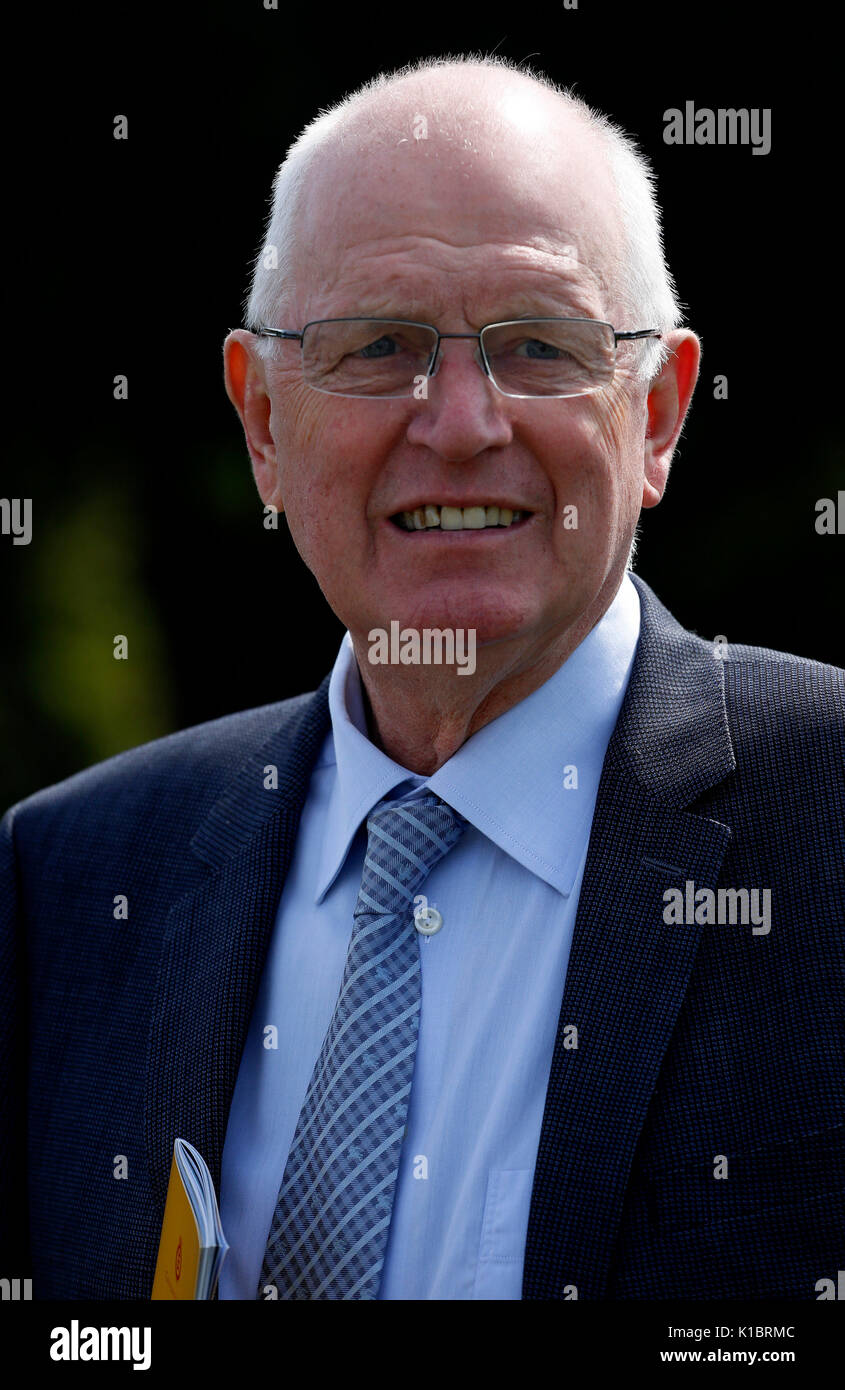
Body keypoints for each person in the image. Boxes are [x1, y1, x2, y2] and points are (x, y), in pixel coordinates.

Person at [1, 56, 842, 1302]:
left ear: (654, 415)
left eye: (539, 345)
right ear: (264, 423)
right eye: (380, 345)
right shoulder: (69, 880)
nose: (459, 421)